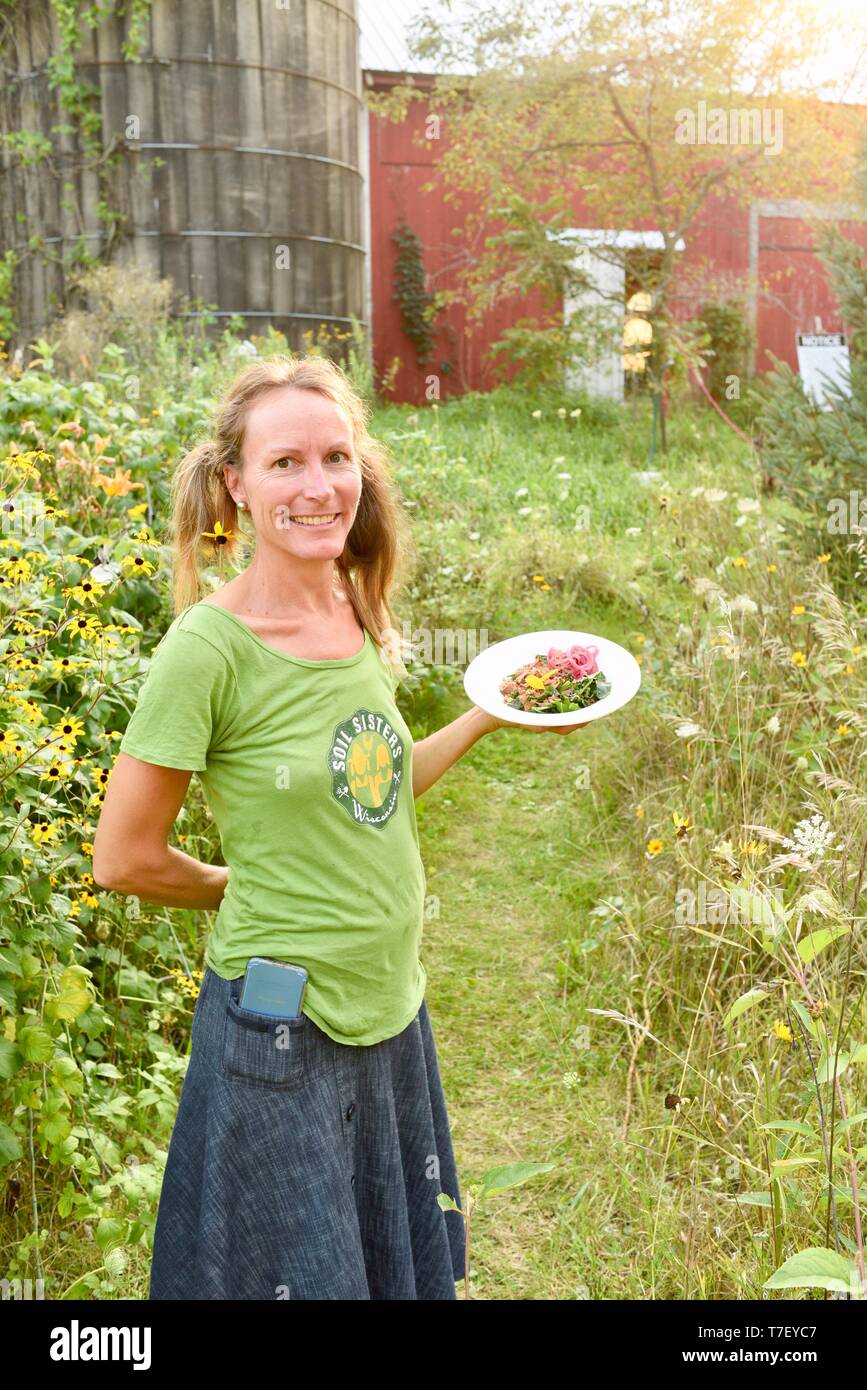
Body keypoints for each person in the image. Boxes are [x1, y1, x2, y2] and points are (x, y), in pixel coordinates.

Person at [92, 354, 587, 1301]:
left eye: (336, 457)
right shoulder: (207, 650)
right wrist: (236, 887)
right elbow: (123, 857)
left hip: (390, 1006)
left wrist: (490, 711)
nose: (318, 487)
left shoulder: (348, 605)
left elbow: (378, 786)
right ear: (233, 483)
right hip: (283, 1026)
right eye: (284, 464)